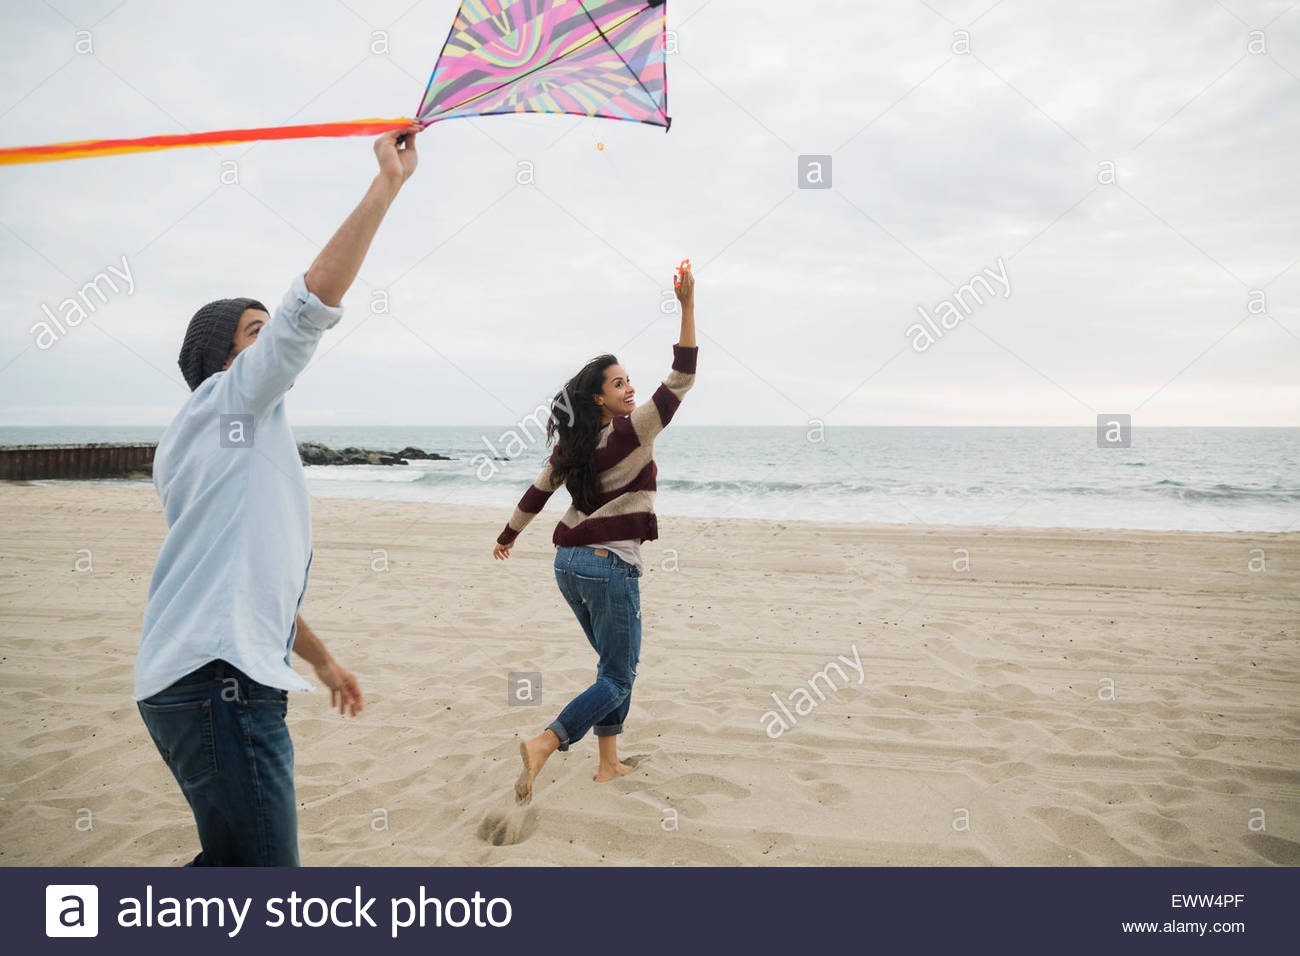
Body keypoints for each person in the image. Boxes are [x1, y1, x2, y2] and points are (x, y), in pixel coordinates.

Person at [134, 125, 421, 866]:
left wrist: (321, 661)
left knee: (234, 863)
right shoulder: (232, 402)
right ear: (225, 358)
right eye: (254, 334)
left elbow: (241, 578)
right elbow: (310, 303)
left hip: (189, 681)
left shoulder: (194, 441)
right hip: (217, 685)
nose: (271, 344)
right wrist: (386, 184)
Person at [495, 264, 697, 805]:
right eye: (618, 384)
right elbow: (682, 376)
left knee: (612, 668)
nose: (630, 389)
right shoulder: (635, 429)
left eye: (629, 381)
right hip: (609, 566)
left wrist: (508, 536)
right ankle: (545, 741)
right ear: (598, 400)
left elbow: (537, 493)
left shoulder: (572, 449)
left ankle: (609, 764)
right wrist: (686, 306)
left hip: (568, 566)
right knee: (619, 676)